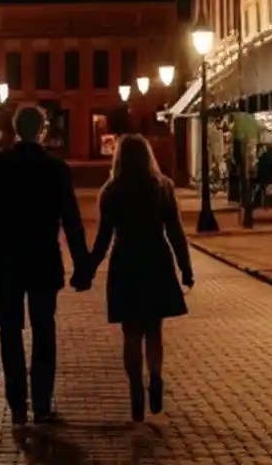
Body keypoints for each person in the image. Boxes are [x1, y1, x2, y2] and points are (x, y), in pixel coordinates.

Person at [0, 105, 89, 427]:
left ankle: (17, 403)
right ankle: (42, 403)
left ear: (16, 129)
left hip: (6, 261)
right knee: (44, 330)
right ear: (42, 130)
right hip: (43, 259)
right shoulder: (55, 169)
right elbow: (71, 219)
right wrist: (82, 263)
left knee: (10, 332)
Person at [74, 134, 194, 422]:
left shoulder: (112, 191)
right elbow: (175, 231)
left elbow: (103, 239)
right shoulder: (162, 187)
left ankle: (135, 388)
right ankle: (155, 375)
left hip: (125, 261)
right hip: (156, 259)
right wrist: (185, 267)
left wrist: (88, 269)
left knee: (131, 332)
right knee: (153, 329)